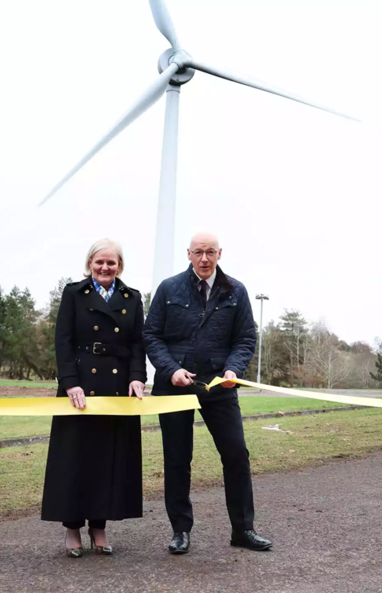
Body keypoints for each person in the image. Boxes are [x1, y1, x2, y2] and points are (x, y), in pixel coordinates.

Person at [143, 232, 273, 554]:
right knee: (177, 459)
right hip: (174, 387)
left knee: (236, 454)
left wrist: (233, 369)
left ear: (219, 254)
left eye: (210, 252)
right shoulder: (169, 288)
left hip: (219, 386)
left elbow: (245, 338)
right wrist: (170, 369)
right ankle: (180, 531)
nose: (204, 258)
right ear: (188, 254)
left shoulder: (236, 291)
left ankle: (243, 529)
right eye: (198, 252)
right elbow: (151, 335)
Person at [41, 239, 147, 557]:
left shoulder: (133, 298)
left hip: (118, 392)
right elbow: (63, 340)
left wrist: (137, 377)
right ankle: (72, 528)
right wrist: (70, 381)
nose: (105, 267)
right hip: (79, 389)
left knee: (108, 460)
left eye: (111, 263)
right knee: (75, 458)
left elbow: (138, 344)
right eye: (99, 262)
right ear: (90, 263)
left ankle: (99, 526)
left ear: (120, 266)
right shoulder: (74, 293)